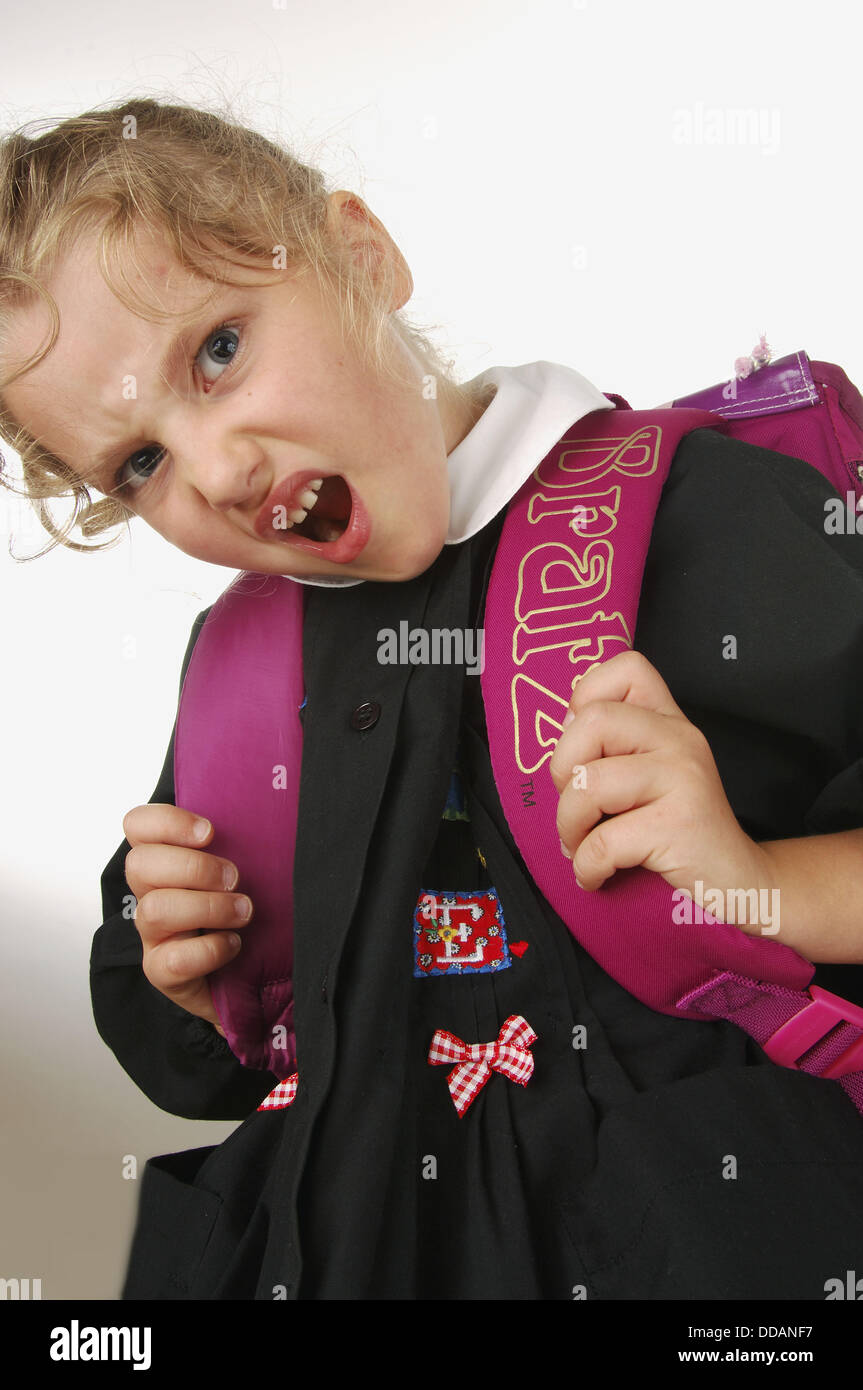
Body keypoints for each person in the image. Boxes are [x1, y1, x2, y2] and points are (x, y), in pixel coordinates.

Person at [2, 97, 863, 1301]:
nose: (214, 469)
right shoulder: (243, 672)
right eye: (138, 464)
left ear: (361, 257)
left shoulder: (696, 520)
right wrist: (192, 978)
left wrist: (762, 887)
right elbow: (216, 1066)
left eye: (217, 351)